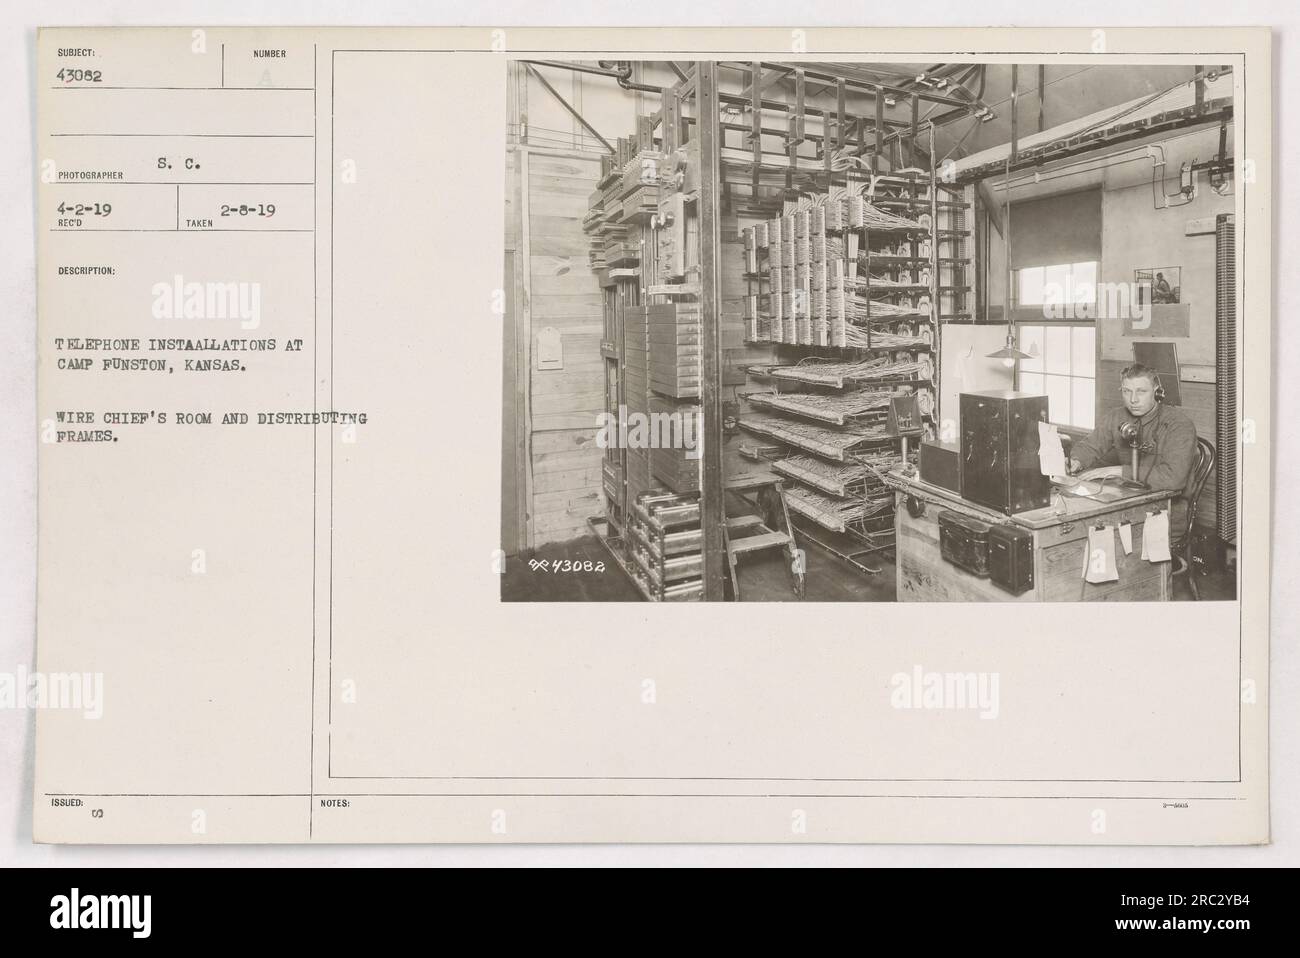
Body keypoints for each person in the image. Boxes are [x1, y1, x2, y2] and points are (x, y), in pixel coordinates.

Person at [1068, 362, 1198, 533]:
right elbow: (1091, 445)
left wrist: (1120, 471)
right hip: (1125, 503)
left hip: (1167, 512)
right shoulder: (1116, 416)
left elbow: (1174, 479)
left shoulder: (1179, 425)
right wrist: (1076, 461)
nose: (1133, 400)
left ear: (1157, 392)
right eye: (1126, 391)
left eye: (1141, 391)